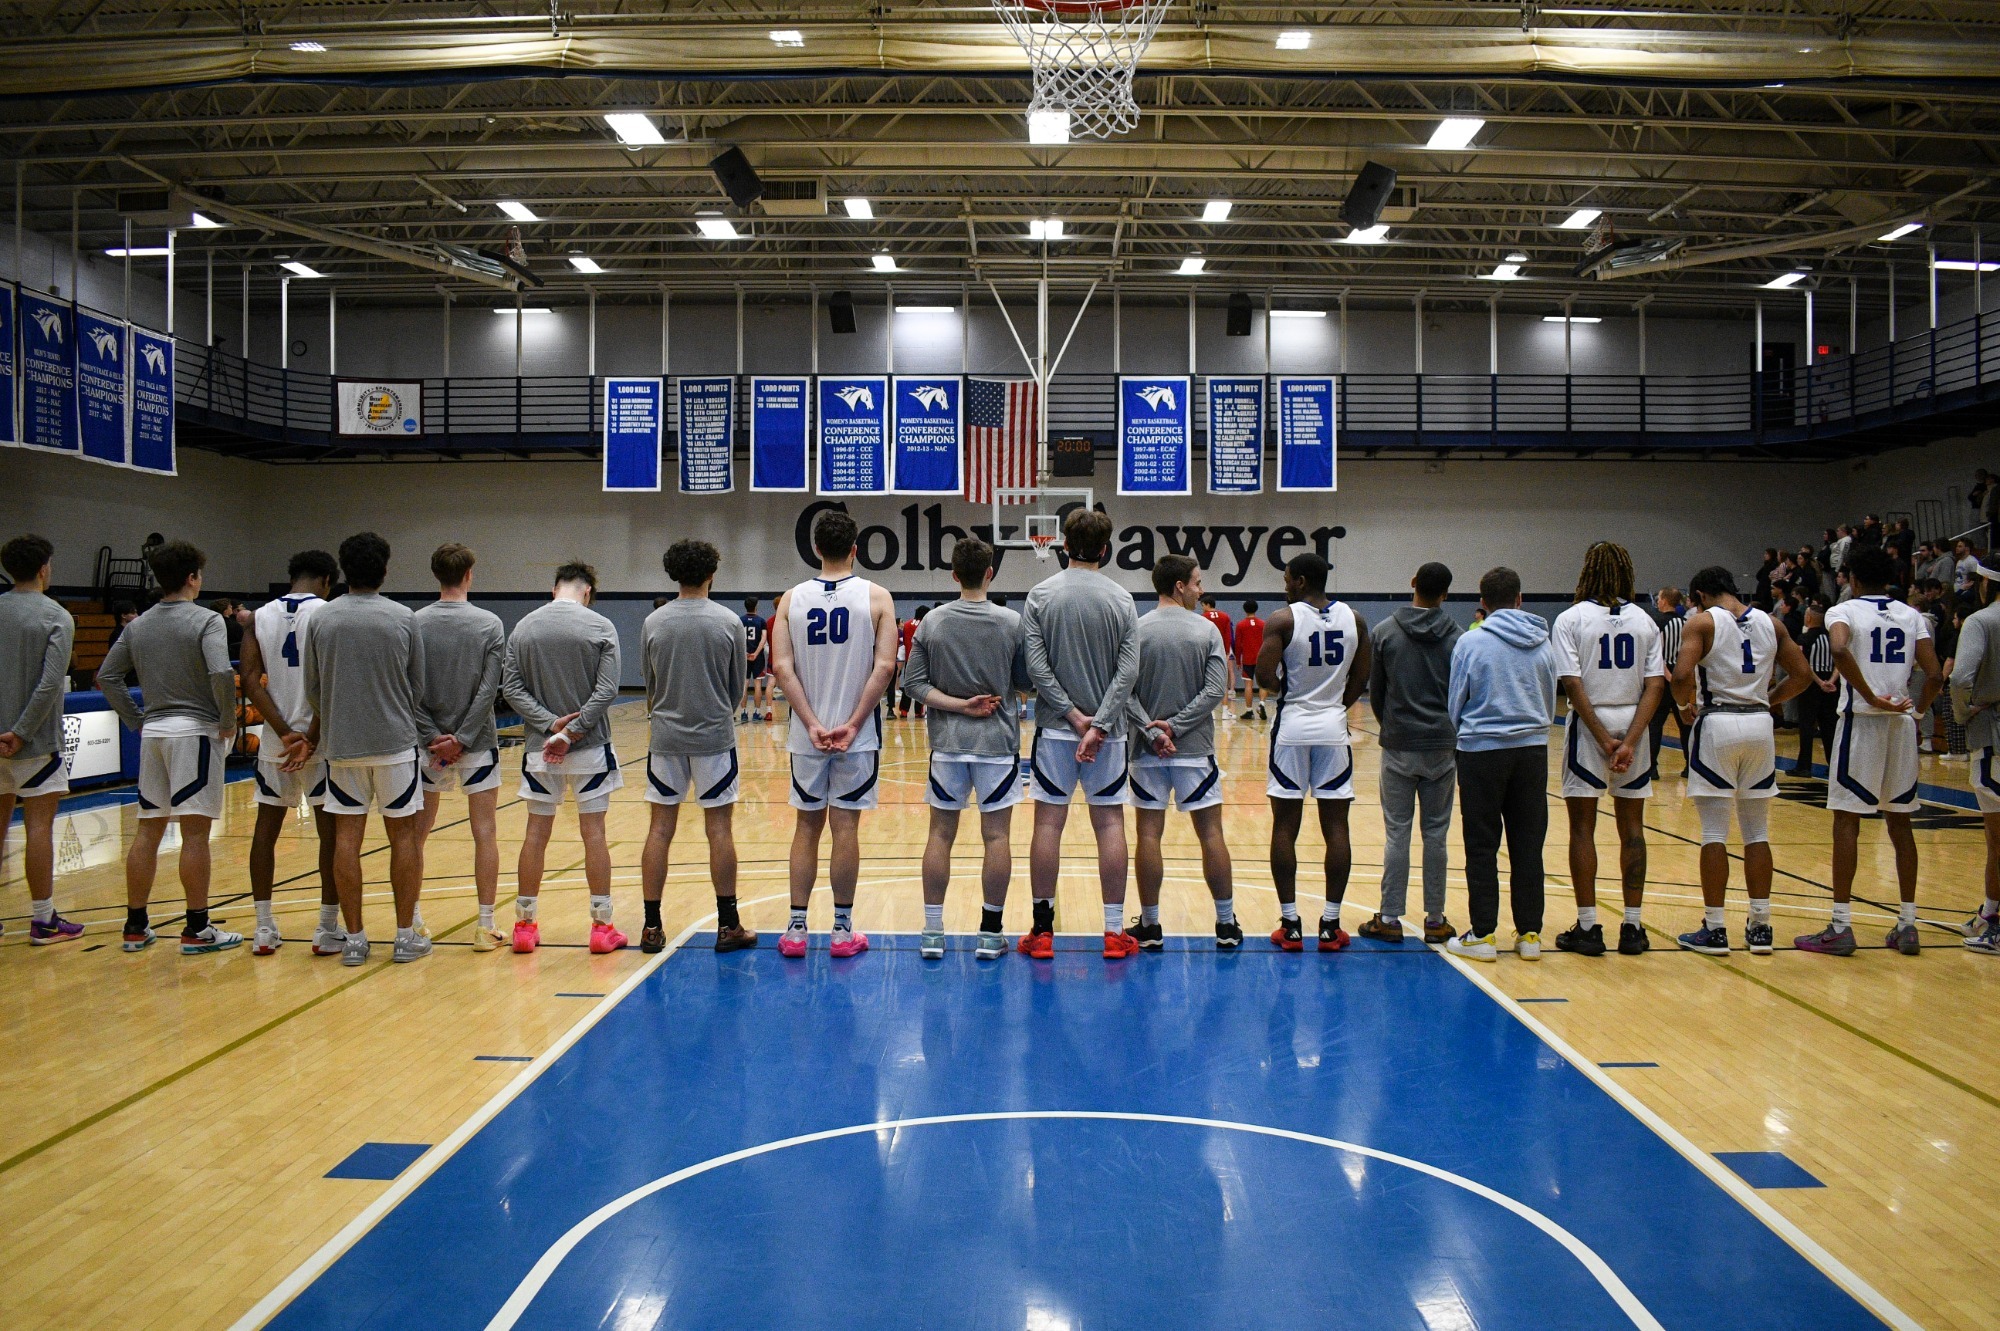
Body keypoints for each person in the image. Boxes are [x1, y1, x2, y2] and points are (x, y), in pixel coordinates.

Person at [96, 540, 242, 955]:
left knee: (148, 829)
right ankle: (197, 928)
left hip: (156, 733)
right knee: (195, 834)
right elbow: (219, 671)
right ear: (193, 577)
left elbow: (108, 677)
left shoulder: (137, 625)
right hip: (193, 731)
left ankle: (135, 925)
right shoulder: (207, 620)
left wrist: (138, 721)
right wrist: (228, 721)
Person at [1799, 546, 1939, 956]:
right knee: (1901, 824)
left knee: (1847, 822)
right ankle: (1908, 923)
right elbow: (1933, 674)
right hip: (1901, 725)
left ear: (1853, 579)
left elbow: (1839, 650)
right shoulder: (1913, 615)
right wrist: (1918, 712)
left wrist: (1872, 698)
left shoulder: (1843, 612)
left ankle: (1841, 925)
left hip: (1863, 721)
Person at [771, 510, 899, 959]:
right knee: (846, 829)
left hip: (807, 736)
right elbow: (885, 667)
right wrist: (855, 723)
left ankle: (796, 930)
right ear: (855, 549)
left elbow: (782, 668)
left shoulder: (790, 599)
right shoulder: (878, 596)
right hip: (856, 737)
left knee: (806, 828)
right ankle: (842, 933)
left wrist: (809, 722)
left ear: (816, 549)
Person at [299, 532, 429, 965]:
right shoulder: (404, 617)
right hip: (394, 746)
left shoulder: (322, 619)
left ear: (343, 571)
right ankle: (405, 936)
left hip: (343, 748)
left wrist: (338, 718)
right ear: (385, 569)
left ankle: (353, 938)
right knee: (404, 838)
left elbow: (313, 689)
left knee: (345, 841)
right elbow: (418, 685)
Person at [1671, 567, 1813, 956]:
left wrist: (1684, 706)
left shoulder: (1701, 622)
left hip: (1717, 722)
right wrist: (1772, 699)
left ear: (1700, 593)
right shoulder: (1772, 622)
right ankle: (1761, 926)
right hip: (1759, 725)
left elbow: (1682, 674)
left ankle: (1715, 929)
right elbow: (1802, 674)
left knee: (1714, 832)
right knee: (1757, 831)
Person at [900, 536, 1030, 960]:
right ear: (990, 573)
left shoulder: (932, 623)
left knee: (940, 835)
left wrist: (959, 704)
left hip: (949, 745)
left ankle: (932, 932)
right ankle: (990, 933)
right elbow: (1026, 682)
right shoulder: (1012, 623)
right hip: (996, 743)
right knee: (997, 838)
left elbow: (913, 685)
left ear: (954, 574)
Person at [1022, 507, 1143, 960]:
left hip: (1056, 732)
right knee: (1110, 824)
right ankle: (1114, 933)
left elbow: (1037, 668)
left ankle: (1042, 931)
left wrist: (1073, 719)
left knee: (1048, 825)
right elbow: (1128, 672)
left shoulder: (1040, 595)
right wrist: (1099, 724)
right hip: (1109, 736)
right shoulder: (1122, 600)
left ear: (1062, 545)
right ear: (1106, 549)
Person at [502, 561, 625, 954]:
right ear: (587, 592)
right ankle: (601, 927)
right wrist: (571, 732)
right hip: (588, 749)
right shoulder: (601, 627)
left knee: (535, 834)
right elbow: (607, 692)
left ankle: (524, 925)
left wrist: (551, 727)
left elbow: (511, 688)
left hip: (541, 751)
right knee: (595, 835)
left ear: (555, 588)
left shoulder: (524, 627)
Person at [1551, 543, 1666, 957]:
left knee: (1583, 828)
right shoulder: (1646, 621)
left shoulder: (1570, 618)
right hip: (1634, 721)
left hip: (1591, 724)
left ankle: (1587, 926)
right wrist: (1632, 740)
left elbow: (1571, 682)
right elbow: (1656, 684)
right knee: (1632, 829)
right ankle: (1633, 927)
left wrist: (1603, 738)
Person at [641, 540, 755, 955]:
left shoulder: (654, 622)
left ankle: (651, 926)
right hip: (713, 738)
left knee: (659, 830)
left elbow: (649, 685)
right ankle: (729, 925)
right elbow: (735, 689)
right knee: (719, 829)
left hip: (665, 738)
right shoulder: (728, 622)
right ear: (712, 573)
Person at [1445, 567, 1559, 963]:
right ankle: (1530, 935)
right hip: (1532, 751)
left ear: (1483, 602)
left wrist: (1468, 732)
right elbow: (1550, 698)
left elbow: (1456, 700)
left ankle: (1483, 934)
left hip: (1481, 751)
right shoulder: (1543, 642)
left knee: (1482, 845)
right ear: (1520, 598)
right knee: (1529, 844)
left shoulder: (1472, 643)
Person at [1258, 551, 1370, 951]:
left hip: (1292, 729)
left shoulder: (1284, 619)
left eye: (1288, 578)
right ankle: (1330, 924)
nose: (1284, 585)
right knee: (1336, 828)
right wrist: (1338, 704)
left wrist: (1290, 690)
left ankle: (1290, 925)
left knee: (1285, 826)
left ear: (1301, 581)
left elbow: (1262, 675)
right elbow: (1362, 673)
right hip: (1332, 729)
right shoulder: (1355, 619)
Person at [1126, 555, 1237, 949]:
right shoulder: (1207, 632)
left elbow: (1125, 692)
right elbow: (1214, 691)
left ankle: (1151, 927)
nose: (1201, 589)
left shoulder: (1135, 631)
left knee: (1148, 836)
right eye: (1197, 582)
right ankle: (1226, 925)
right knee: (1211, 835)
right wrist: (1177, 727)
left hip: (1146, 753)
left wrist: (1154, 732)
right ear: (1179, 586)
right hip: (1195, 752)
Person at [238, 549, 340, 957]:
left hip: (275, 742)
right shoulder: (330, 614)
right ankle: (326, 928)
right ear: (327, 581)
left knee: (266, 829)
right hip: (321, 740)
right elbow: (332, 681)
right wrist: (309, 737)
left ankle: (263, 928)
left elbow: (247, 678)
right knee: (329, 832)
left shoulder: (259, 616)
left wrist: (283, 733)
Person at [412, 543, 508, 952]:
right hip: (478, 744)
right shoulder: (490, 623)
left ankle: (411, 920)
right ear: (469, 573)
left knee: (415, 836)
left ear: (437, 574)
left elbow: (407, 689)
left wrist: (433, 736)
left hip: (426, 746)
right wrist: (464, 738)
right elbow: (490, 691)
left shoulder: (413, 623)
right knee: (485, 832)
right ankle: (485, 926)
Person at [1368, 561, 1461, 945]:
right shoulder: (1458, 638)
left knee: (1397, 834)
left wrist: (1392, 725)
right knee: (1436, 835)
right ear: (1445, 594)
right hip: (1441, 745)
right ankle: (1435, 919)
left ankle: (1389, 918)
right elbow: (1461, 693)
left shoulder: (1385, 632)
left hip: (1399, 745)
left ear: (1412, 583)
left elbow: (1377, 693)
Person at [0, 535, 84, 945]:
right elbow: (51, 683)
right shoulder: (56, 616)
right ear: (44, 568)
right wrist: (21, 731)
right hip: (33, 743)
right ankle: (43, 919)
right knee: (38, 828)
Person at [1952, 555, 2000, 951]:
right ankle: (1989, 912)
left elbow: (1961, 676)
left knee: (1998, 837)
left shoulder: (1981, 621)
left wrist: (1963, 712)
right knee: (1993, 837)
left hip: (1994, 736)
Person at [1791, 599, 1839, 777]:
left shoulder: (1804, 638)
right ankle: (1834, 765)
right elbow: (1840, 662)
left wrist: (1819, 682)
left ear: (1809, 618)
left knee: (1806, 726)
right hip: (1832, 687)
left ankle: (1804, 766)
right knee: (1829, 727)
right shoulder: (1832, 637)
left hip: (1810, 686)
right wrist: (1830, 681)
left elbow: (1802, 665)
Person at [1646, 588, 1687, 776]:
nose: (1657, 601)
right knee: (1686, 724)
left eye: (1659, 597)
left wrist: (1669, 679)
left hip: (1663, 678)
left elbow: (1657, 656)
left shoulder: (1657, 623)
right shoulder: (1686, 623)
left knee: (1655, 724)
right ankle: (1691, 767)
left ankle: (1651, 767)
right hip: (1683, 677)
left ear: (1664, 601)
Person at [740, 597, 772, 723]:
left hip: (744, 657)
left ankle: (743, 713)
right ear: (756, 606)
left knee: (744, 685)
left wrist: (746, 653)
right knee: (757, 685)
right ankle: (757, 713)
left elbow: (738, 639)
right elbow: (763, 639)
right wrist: (755, 653)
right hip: (757, 658)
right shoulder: (761, 621)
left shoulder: (740, 620)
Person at [1199, 593, 1236, 704]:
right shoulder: (1225, 616)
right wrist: (1227, 651)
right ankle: (1225, 708)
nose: (1202, 608)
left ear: (1207, 604)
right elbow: (1228, 635)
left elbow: (1201, 636)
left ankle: (1210, 710)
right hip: (1222, 651)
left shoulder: (1203, 617)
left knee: (1206, 681)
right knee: (1223, 680)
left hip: (1207, 651)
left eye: (1202, 605)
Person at [894, 605, 929, 719]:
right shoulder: (925, 624)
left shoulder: (907, 624)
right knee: (921, 686)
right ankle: (918, 712)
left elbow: (904, 641)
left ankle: (904, 711)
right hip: (922, 660)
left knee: (908, 686)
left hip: (909, 658)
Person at [1235, 601, 1266, 720]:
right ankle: (1262, 703)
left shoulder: (1241, 625)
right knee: (1263, 683)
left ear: (1244, 610)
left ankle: (1249, 711)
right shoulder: (1263, 624)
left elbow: (1238, 644)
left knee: (1248, 685)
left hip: (1248, 659)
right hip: (1261, 658)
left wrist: (1238, 660)